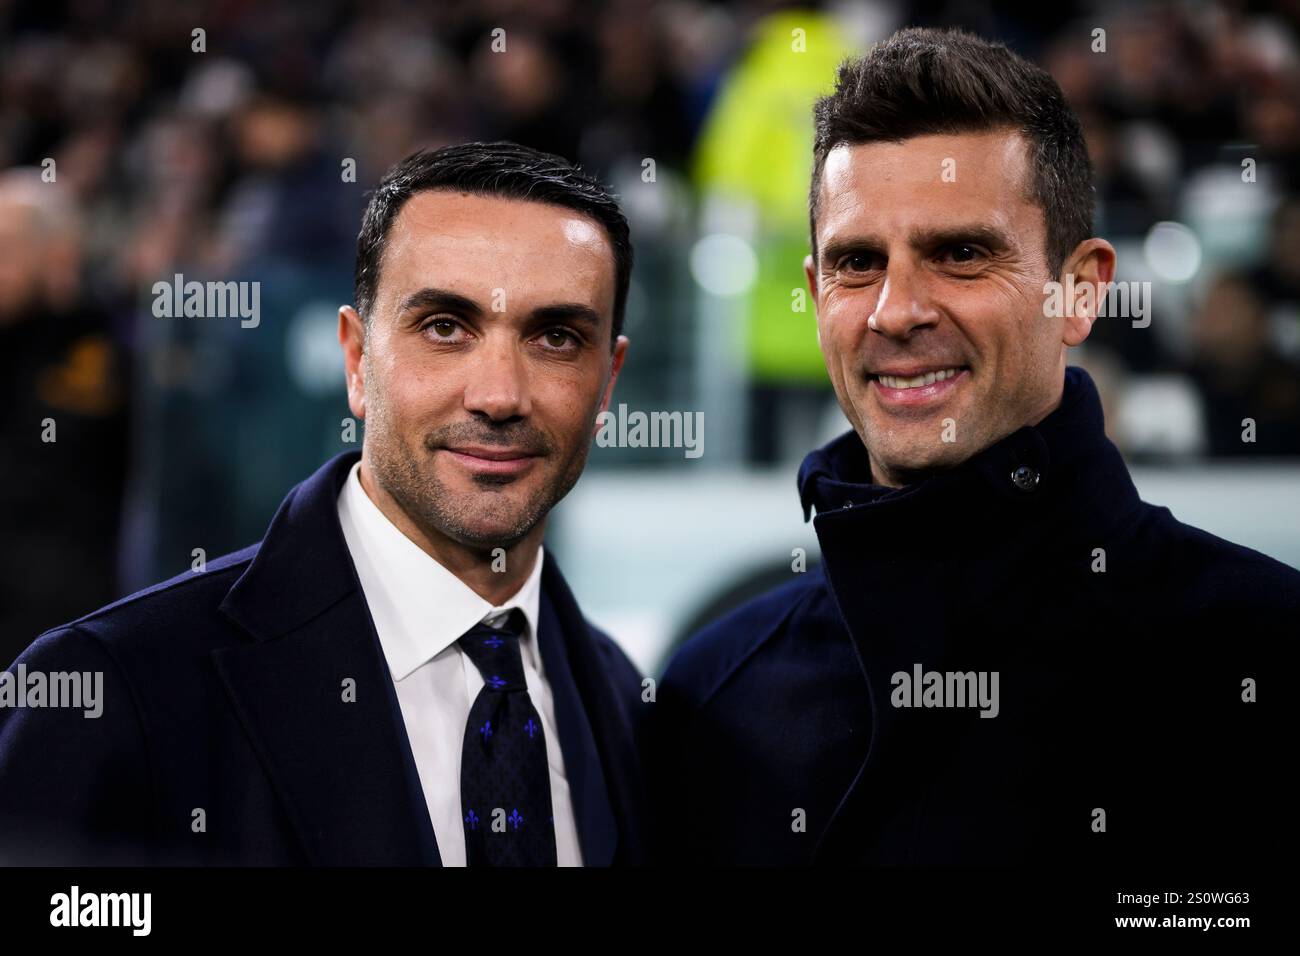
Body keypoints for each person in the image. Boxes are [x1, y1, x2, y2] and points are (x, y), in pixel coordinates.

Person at [646, 28, 1297, 866]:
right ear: (815, 296)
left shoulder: (1265, 652)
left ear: (1079, 291)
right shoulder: (714, 697)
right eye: (856, 263)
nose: (896, 310)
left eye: (959, 254)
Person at [0, 142, 647, 866]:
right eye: (444, 328)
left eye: (556, 338)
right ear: (355, 360)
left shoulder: (629, 707)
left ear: (608, 383)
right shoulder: (111, 694)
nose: (499, 394)